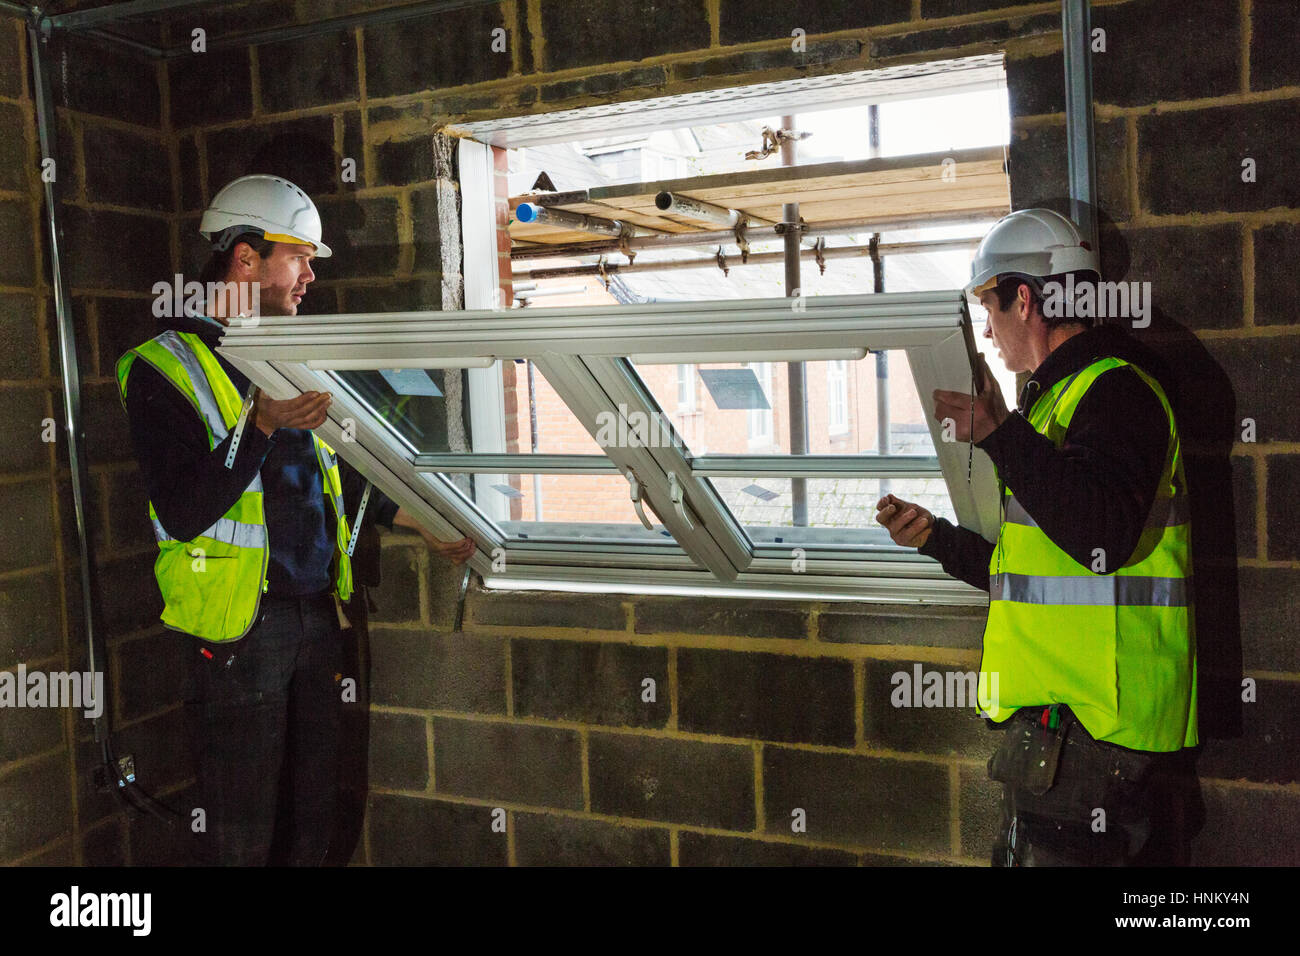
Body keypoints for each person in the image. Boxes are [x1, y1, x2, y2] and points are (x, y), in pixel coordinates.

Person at [115, 174, 475, 865]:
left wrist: (419, 518)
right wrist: (259, 425)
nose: (310, 275)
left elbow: (333, 477)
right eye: (299, 257)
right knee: (244, 834)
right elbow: (184, 509)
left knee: (314, 822)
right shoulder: (165, 367)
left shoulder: (290, 353)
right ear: (245, 257)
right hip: (240, 631)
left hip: (317, 615)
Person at [875, 208, 1197, 866]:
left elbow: (1100, 535)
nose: (987, 333)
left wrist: (1001, 436)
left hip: (1099, 732)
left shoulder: (1115, 393)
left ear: (1025, 299)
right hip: (1067, 731)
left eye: (989, 310)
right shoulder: (1053, 405)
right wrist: (936, 538)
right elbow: (1035, 569)